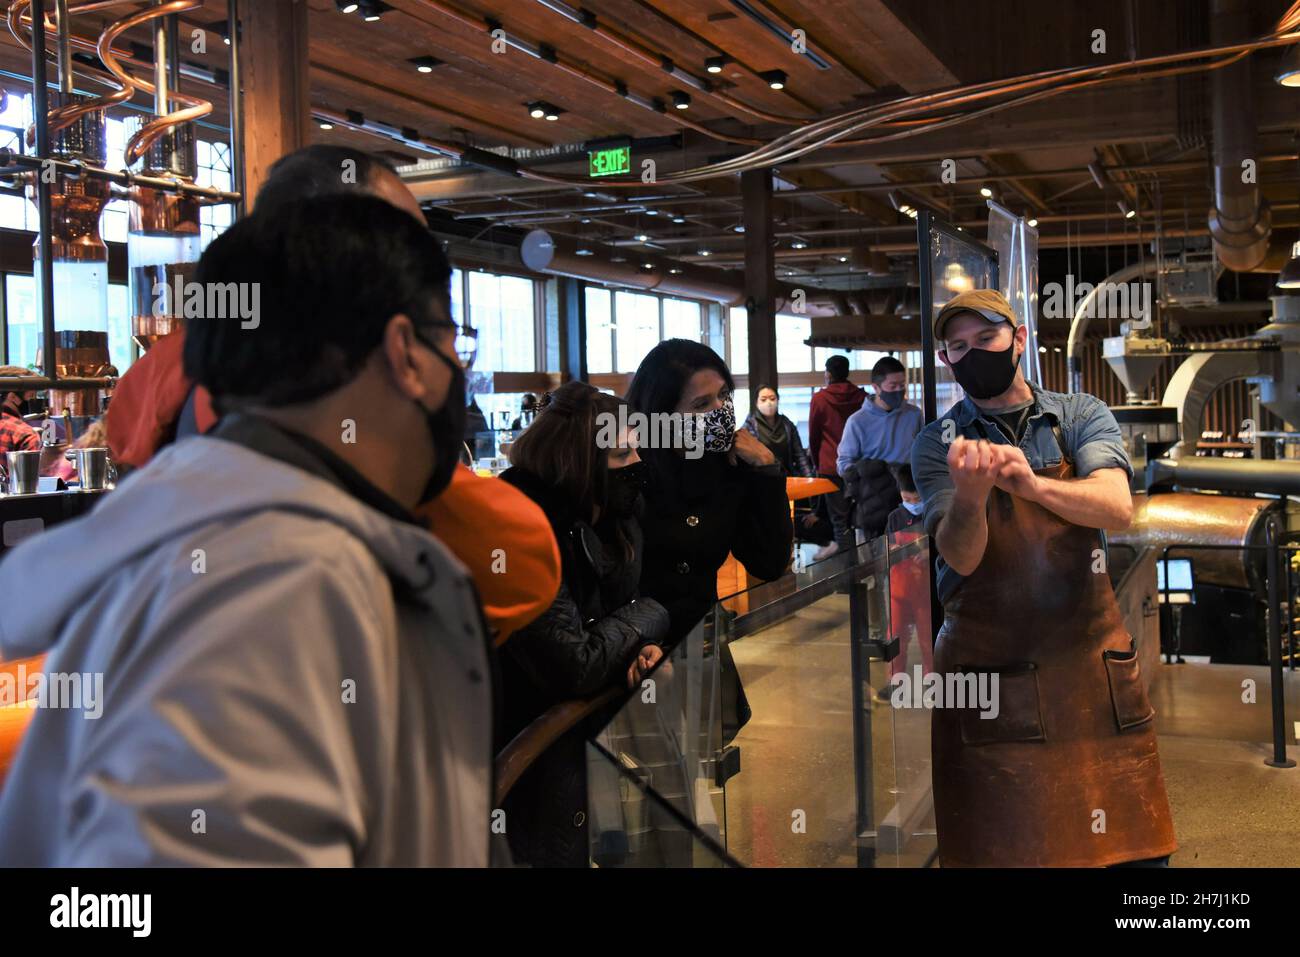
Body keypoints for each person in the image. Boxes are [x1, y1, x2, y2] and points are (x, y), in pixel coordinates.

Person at [0, 195, 492, 866]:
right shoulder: (279, 579)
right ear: (405, 352)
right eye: (452, 341)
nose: (458, 371)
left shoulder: (214, 526)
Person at [103, 145, 559, 645]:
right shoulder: (335, 413)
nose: (419, 266)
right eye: (401, 244)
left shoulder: (158, 384)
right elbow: (517, 565)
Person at [910, 288, 1176, 867]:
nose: (974, 353)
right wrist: (971, 499)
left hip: (1089, 665)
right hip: (989, 673)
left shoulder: (1079, 414)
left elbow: (1114, 506)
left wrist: (1030, 485)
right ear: (945, 360)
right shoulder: (937, 444)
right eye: (959, 347)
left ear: (1021, 339)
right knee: (999, 850)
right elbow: (959, 557)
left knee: (1133, 853)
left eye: (987, 339)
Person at [497, 382, 670, 867]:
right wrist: (652, 617)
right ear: (578, 461)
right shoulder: (521, 524)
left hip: (586, 747)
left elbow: (607, 626)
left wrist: (639, 643)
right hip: (524, 753)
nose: (635, 463)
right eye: (620, 454)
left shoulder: (606, 514)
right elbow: (577, 662)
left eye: (636, 447)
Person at [627, 339, 793, 644]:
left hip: (702, 640)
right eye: (701, 404)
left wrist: (766, 468)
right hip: (636, 647)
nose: (720, 409)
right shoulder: (628, 467)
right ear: (662, 414)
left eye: (724, 395)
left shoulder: (726, 463)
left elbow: (769, 563)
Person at [837, 356, 924, 542]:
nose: (899, 390)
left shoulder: (914, 414)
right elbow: (843, 464)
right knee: (873, 562)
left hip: (908, 500)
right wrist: (868, 471)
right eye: (893, 386)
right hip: (872, 503)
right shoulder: (857, 421)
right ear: (876, 388)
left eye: (902, 385)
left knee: (911, 561)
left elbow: (922, 452)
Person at [880, 464, 933, 702]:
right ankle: (895, 682)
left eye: (917, 498)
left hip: (926, 592)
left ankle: (934, 683)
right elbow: (884, 548)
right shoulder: (894, 517)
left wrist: (932, 552)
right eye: (906, 498)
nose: (912, 502)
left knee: (928, 637)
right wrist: (891, 549)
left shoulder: (933, 514)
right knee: (895, 635)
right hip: (898, 589)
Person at [807, 355, 865, 560]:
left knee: (840, 522)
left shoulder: (820, 399)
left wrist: (817, 462)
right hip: (858, 465)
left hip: (830, 467)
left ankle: (850, 578)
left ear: (828, 374)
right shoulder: (862, 397)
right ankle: (865, 570)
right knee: (859, 519)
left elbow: (814, 436)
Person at [742, 384, 813, 478]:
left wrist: (810, 478)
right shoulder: (749, 426)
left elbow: (799, 455)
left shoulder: (787, 424)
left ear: (778, 400)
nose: (769, 403)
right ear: (756, 402)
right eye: (763, 399)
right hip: (761, 480)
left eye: (772, 398)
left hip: (787, 477)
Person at [0, 366, 40, 454]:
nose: (31, 400)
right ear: (12, 397)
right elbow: (31, 467)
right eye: (30, 396)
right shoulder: (25, 434)